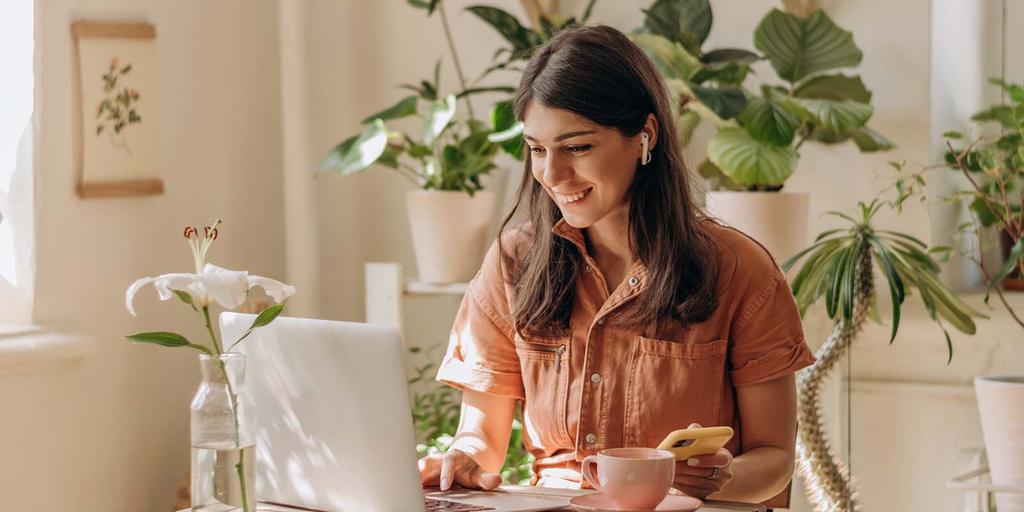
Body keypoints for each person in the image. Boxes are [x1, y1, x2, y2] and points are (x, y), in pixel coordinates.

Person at [417, 24, 816, 508]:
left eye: (578, 147)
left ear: (644, 135)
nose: (552, 175)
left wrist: (717, 478)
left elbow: (774, 457)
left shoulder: (739, 268)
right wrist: (462, 459)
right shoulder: (513, 262)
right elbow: (481, 438)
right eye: (538, 149)